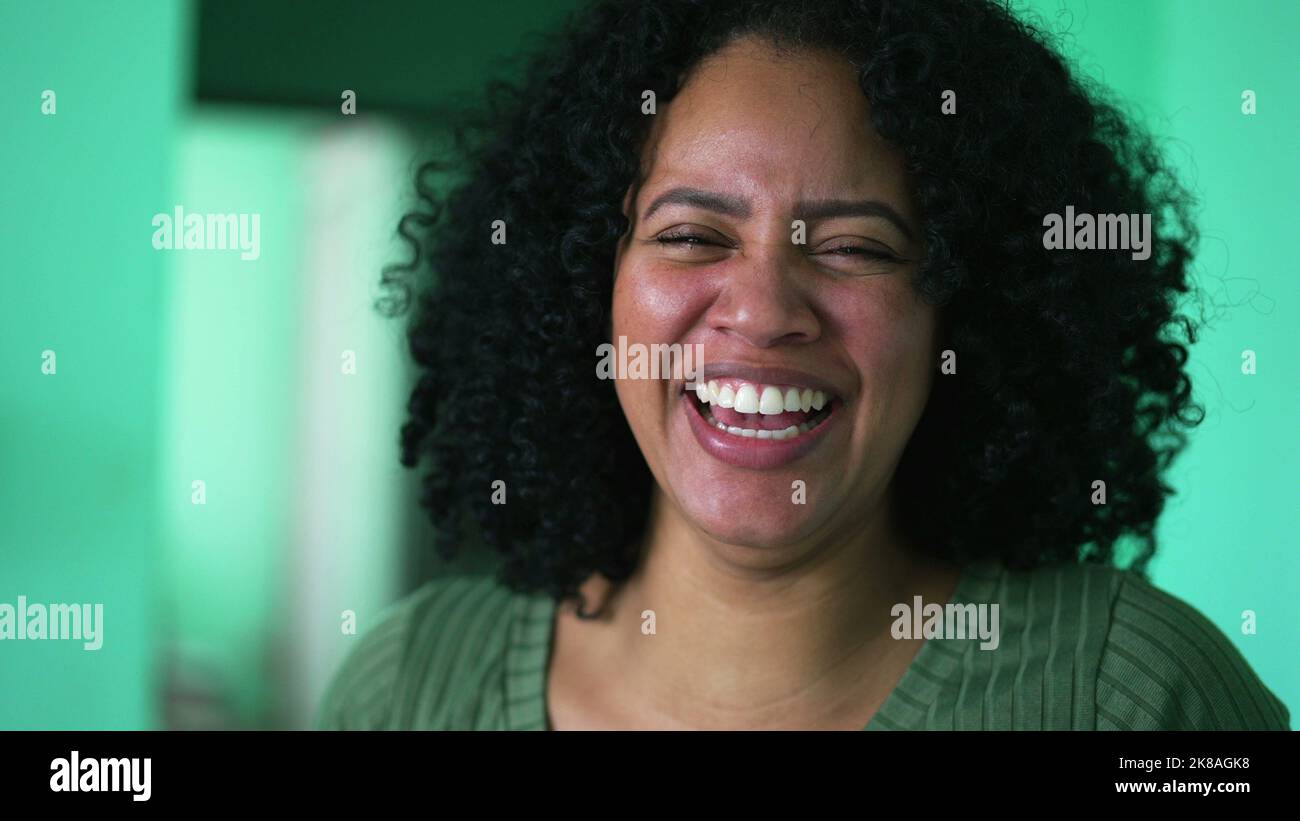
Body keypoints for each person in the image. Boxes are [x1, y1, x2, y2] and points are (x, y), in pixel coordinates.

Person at [317, 0, 1289, 730]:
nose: (762, 309)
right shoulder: (412, 680)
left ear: (966, 308)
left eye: (856, 247)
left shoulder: (1126, 691)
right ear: (586, 289)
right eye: (693, 233)